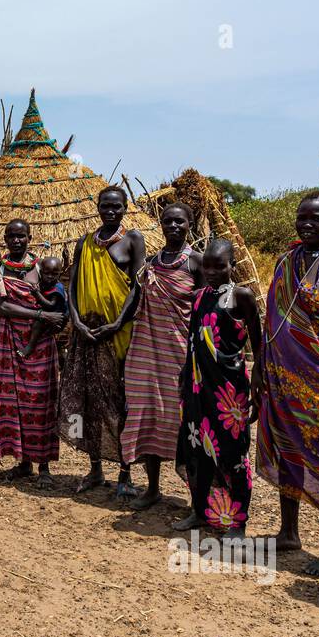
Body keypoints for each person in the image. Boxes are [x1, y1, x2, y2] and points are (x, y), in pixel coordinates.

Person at [253, 190, 319, 575]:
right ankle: (288, 532)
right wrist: (259, 370)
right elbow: (271, 323)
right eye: (302, 217)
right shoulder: (287, 260)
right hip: (280, 376)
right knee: (286, 452)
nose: (308, 224)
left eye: (317, 218)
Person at [60, 185, 147, 495]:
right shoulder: (85, 243)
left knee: (121, 402)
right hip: (87, 334)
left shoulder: (133, 239)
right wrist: (77, 322)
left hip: (119, 335)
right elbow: (71, 287)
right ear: (97, 206)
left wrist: (117, 323)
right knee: (89, 402)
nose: (110, 210)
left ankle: (125, 474)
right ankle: (95, 469)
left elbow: (138, 287)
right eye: (105, 205)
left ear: (125, 208)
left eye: (117, 206)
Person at [173, 240, 261, 536]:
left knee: (233, 455)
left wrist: (258, 386)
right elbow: (192, 341)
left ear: (232, 266)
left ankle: (238, 521)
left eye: (219, 266)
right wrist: (185, 377)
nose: (211, 272)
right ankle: (199, 512)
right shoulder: (198, 297)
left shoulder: (242, 297)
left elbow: (258, 345)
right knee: (197, 450)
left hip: (229, 392)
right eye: (207, 266)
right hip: (198, 387)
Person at [119, 202, 201, 508]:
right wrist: (115, 325)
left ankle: (197, 498)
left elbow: (204, 311)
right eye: (168, 222)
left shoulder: (197, 263)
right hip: (146, 352)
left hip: (181, 354)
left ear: (189, 224)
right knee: (147, 414)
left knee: (184, 422)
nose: (174, 227)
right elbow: (136, 298)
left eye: (180, 222)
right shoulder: (151, 263)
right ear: (161, 224)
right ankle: (152, 488)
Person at [0, 220, 62, 489]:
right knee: (15, 403)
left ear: (30, 237)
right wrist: (41, 314)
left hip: (40, 345)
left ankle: (43, 465)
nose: (17, 241)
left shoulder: (42, 268)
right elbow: (2, 308)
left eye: (21, 236)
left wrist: (46, 317)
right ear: (5, 238)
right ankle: (23, 462)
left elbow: (57, 302)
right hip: (9, 342)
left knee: (40, 404)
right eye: (12, 236)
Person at [17, 256, 67, 359]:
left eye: (54, 274)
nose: (50, 276)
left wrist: (37, 294)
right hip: (50, 314)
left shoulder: (57, 288)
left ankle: (30, 347)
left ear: (60, 273)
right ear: (41, 272)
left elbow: (50, 305)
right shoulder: (45, 283)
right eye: (46, 273)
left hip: (56, 316)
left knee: (37, 323)